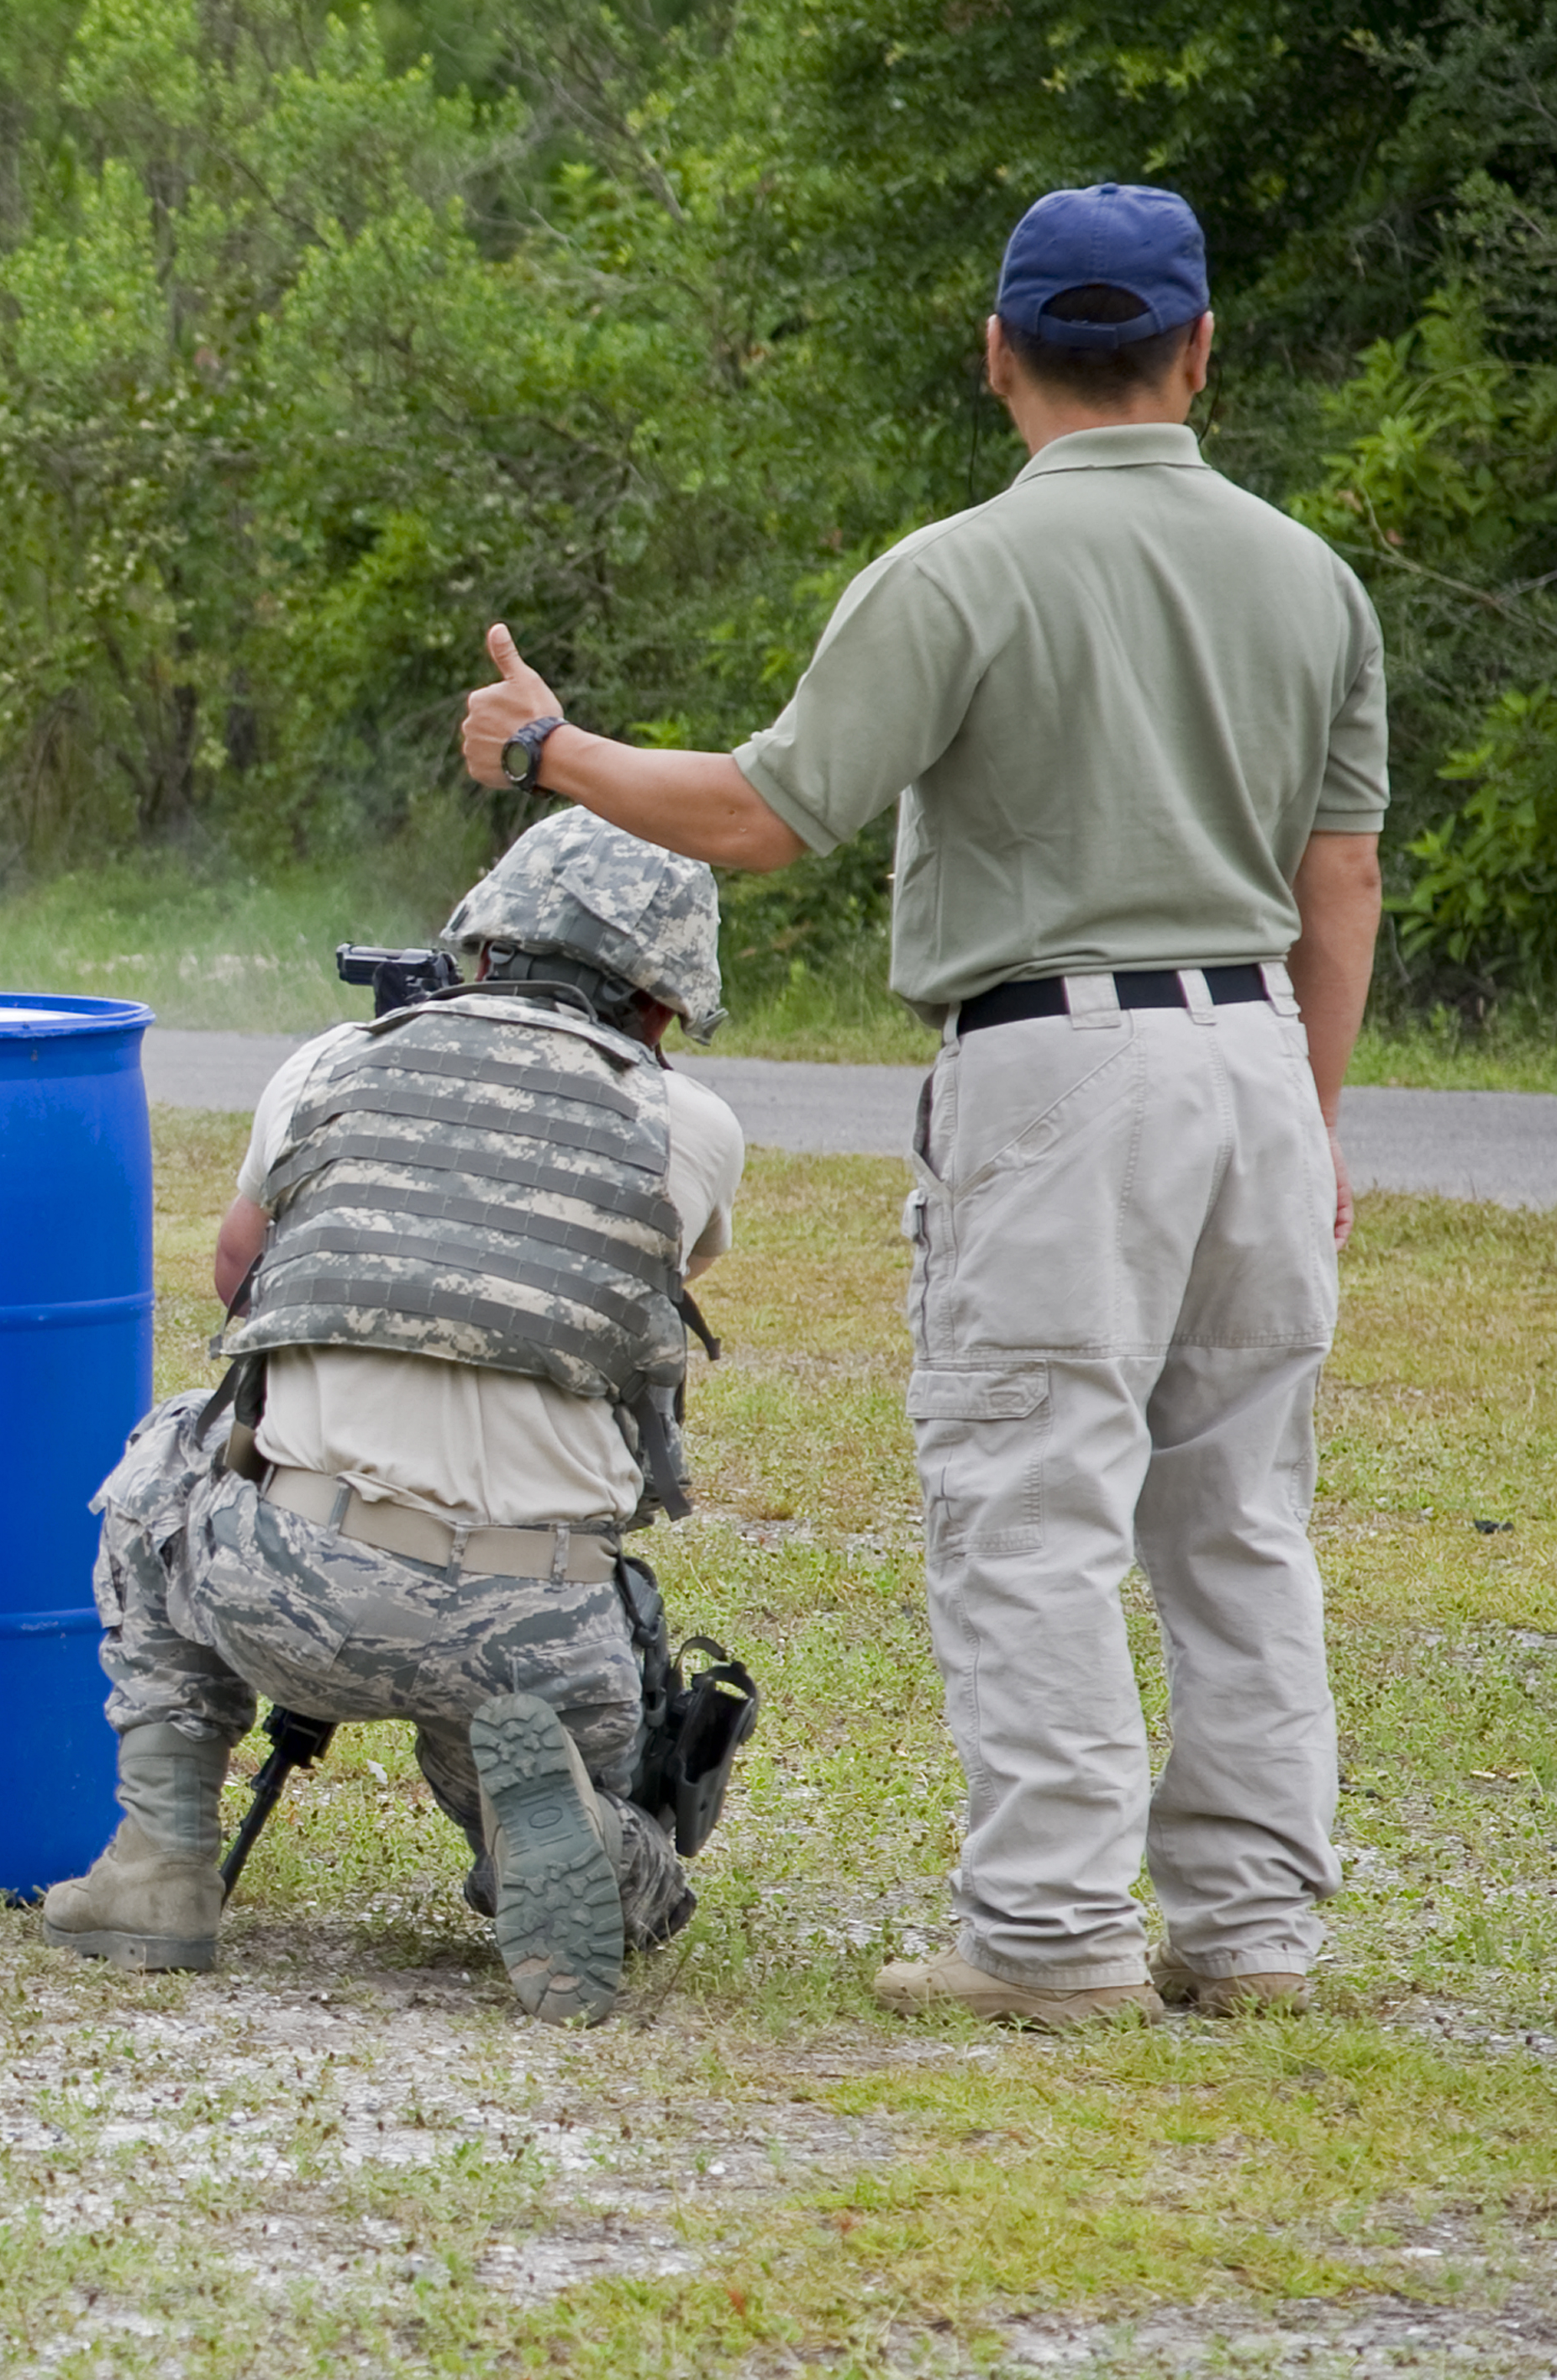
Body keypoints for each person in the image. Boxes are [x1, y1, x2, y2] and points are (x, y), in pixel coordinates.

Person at [453, 183, 1386, 2029]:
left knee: (1032, 1502)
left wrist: (549, 751)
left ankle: (1048, 1937)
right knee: (1240, 1517)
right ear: (1201, 351)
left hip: (1058, 1059)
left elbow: (762, 816)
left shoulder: (957, 571)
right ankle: (1251, 1930)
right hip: (1259, 1056)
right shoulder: (1313, 580)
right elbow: (1337, 878)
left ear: (998, 353)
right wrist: (1318, 1119)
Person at [44, 809, 749, 2025]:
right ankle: (577, 1836)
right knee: (545, 1779)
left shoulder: (330, 1064)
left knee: (168, 1454)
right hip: (537, 1622)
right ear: (657, 1004)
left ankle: (161, 1864)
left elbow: (236, 1277)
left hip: (294, 1583)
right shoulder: (691, 1127)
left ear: (482, 945)